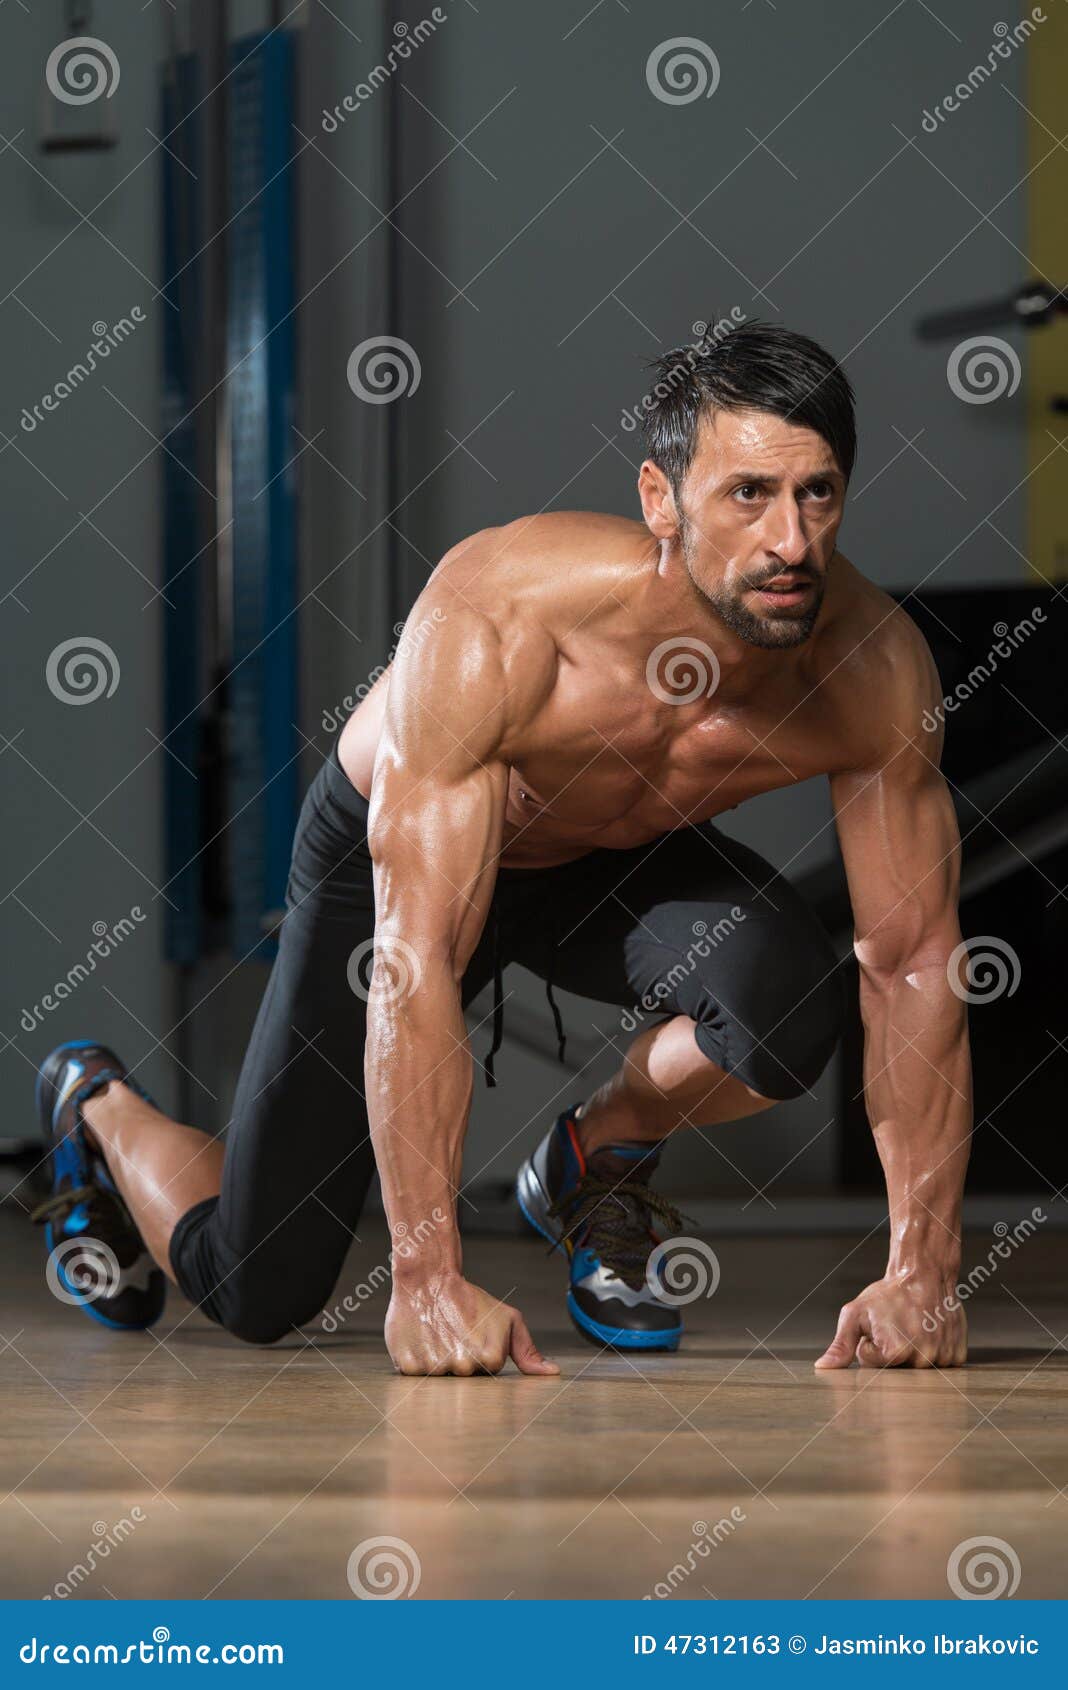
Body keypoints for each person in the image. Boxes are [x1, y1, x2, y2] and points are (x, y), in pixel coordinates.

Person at [32, 320, 971, 1374]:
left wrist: (924, 1273)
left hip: (613, 864)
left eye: (818, 493)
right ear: (661, 500)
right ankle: (94, 1102)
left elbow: (914, 963)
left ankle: (593, 1155)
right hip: (394, 878)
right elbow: (415, 957)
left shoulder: (871, 670)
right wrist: (426, 1279)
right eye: (748, 494)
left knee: (789, 1004)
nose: (791, 542)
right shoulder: (505, 615)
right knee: (257, 1285)